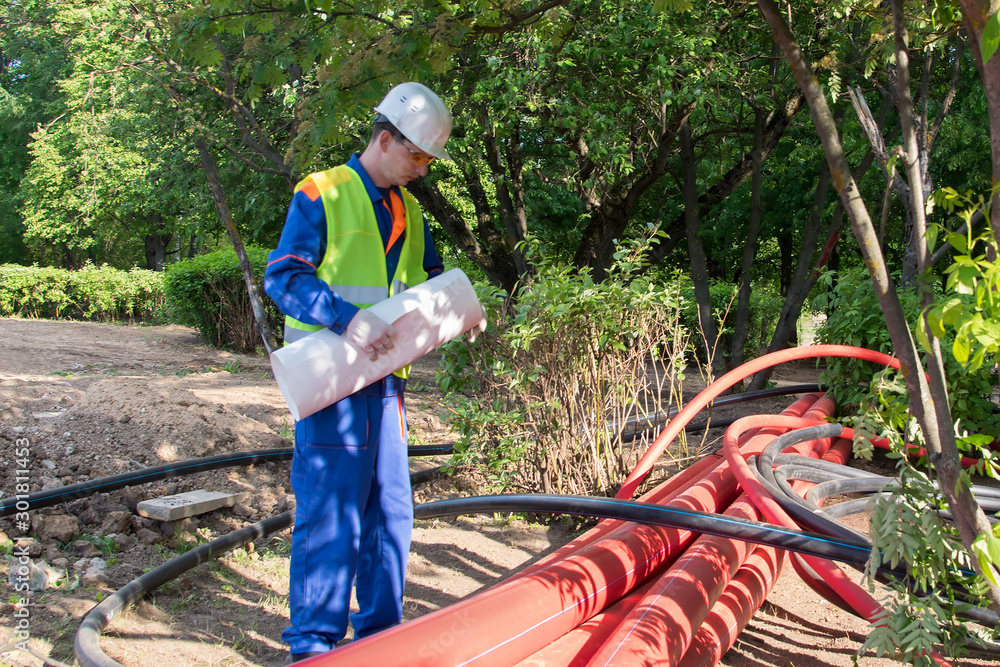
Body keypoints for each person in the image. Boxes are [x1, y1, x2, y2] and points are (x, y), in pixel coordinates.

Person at [264, 81, 452, 663]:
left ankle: (378, 641)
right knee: (330, 515)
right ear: (384, 138)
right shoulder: (321, 193)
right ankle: (314, 648)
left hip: (385, 388)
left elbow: (431, 285)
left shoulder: (411, 213)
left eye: (427, 160)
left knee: (391, 511)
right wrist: (347, 318)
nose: (422, 169)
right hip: (332, 387)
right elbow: (284, 278)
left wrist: (457, 312)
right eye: (416, 156)